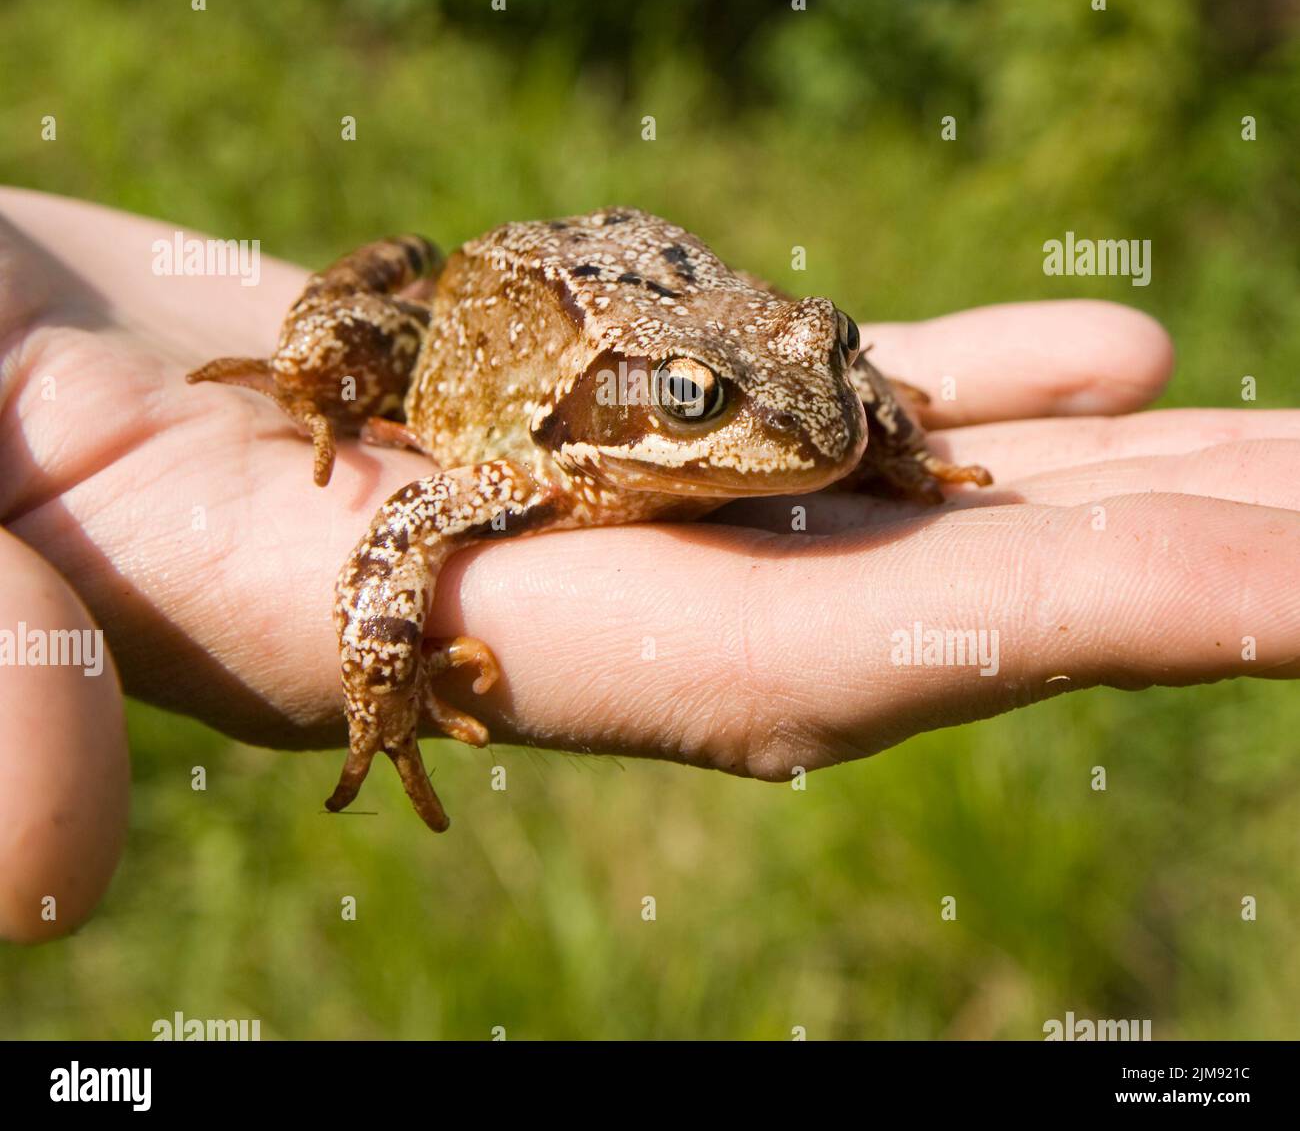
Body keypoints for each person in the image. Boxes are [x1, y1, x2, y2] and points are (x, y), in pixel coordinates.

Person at [2, 186, 1297, 942]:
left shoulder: (807, 387)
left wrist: (891, 442)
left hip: (647, 286)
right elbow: (392, 532)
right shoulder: (527, 465)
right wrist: (384, 697)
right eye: (694, 401)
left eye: (828, 349)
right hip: (511, 335)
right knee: (318, 349)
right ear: (643, 403)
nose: (812, 430)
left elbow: (826, 389)